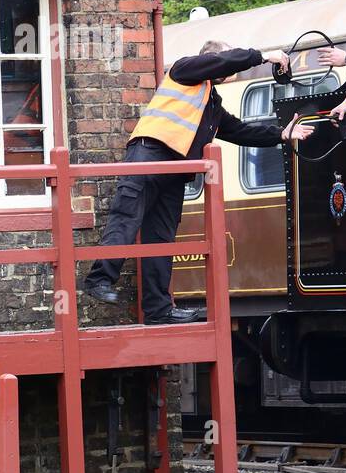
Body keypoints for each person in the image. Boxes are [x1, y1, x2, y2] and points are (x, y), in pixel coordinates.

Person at [83, 41, 312, 323]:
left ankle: (159, 310)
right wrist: (263, 56)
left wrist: (281, 135)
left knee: (162, 238)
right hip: (149, 153)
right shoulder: (185, 69)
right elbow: (224, 62)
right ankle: (100, 279)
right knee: (127, 215)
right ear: (211, 59)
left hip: (176, 169)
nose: (226, 72)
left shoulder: (211, 103)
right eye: (222, 63)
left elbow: (240, 131)